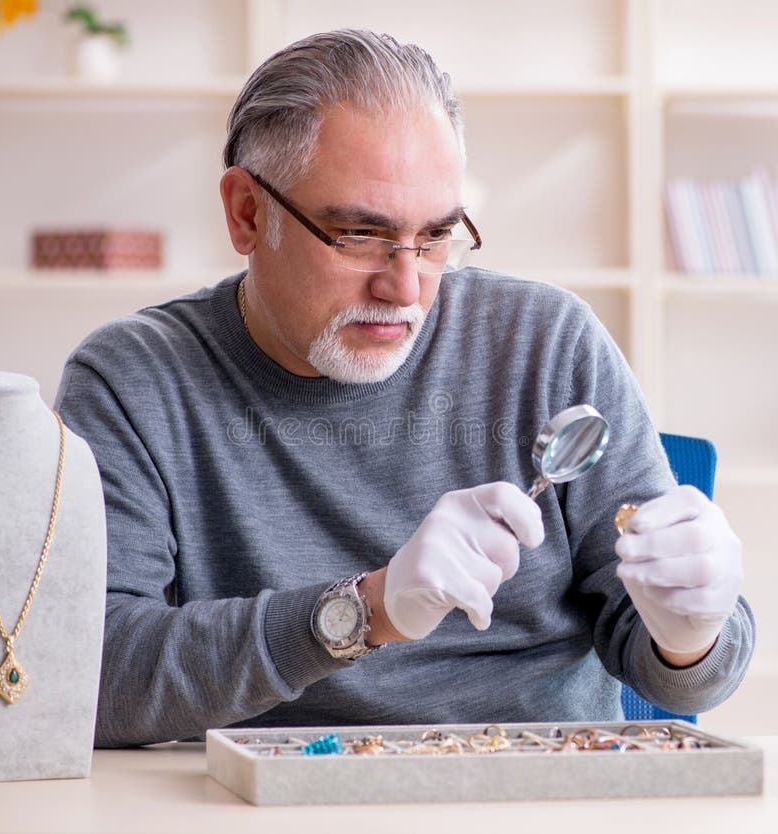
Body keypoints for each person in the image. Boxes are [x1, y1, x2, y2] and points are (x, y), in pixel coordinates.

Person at [55, 29, 754, 749]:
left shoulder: (546, 343)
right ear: (246, 213)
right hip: (265, 803)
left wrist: (692, 634)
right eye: (359, 234)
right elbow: (84, 682)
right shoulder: (134, 381)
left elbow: (688, 678)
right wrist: (365, 610)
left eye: (437, 236)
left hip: (539, 795)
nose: (406, 286)